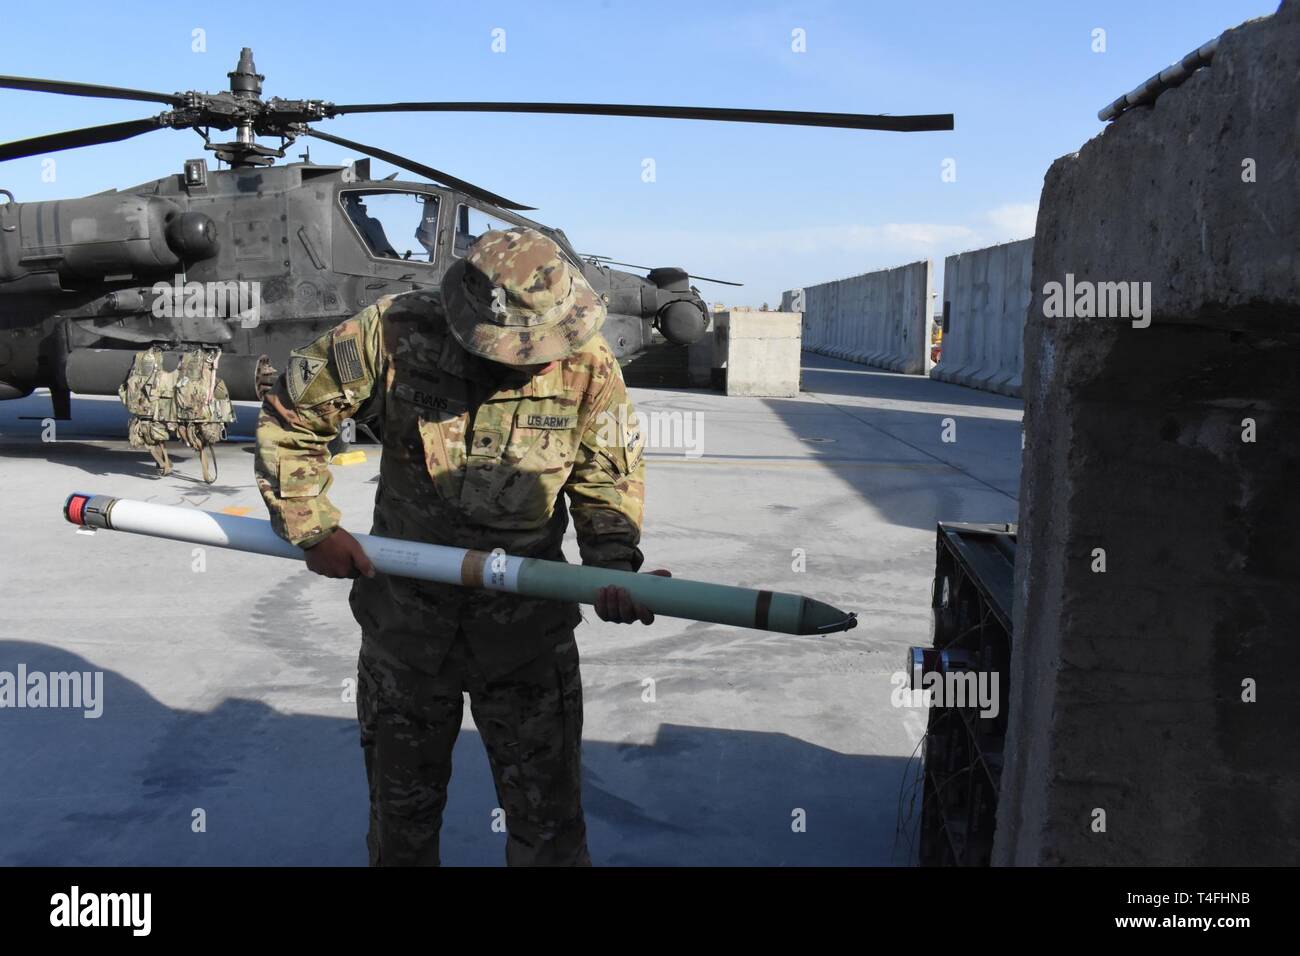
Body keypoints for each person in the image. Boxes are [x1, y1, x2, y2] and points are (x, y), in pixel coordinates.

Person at [255, 227, 667, 866]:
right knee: (402, 827)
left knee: (550, 830)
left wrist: (613, 570)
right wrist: (312, 526)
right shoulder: (392, 332)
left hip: (526, 638)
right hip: (407, 634)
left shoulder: (588, 364)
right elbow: (292, 414)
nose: (533, 359)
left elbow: (605, 476)